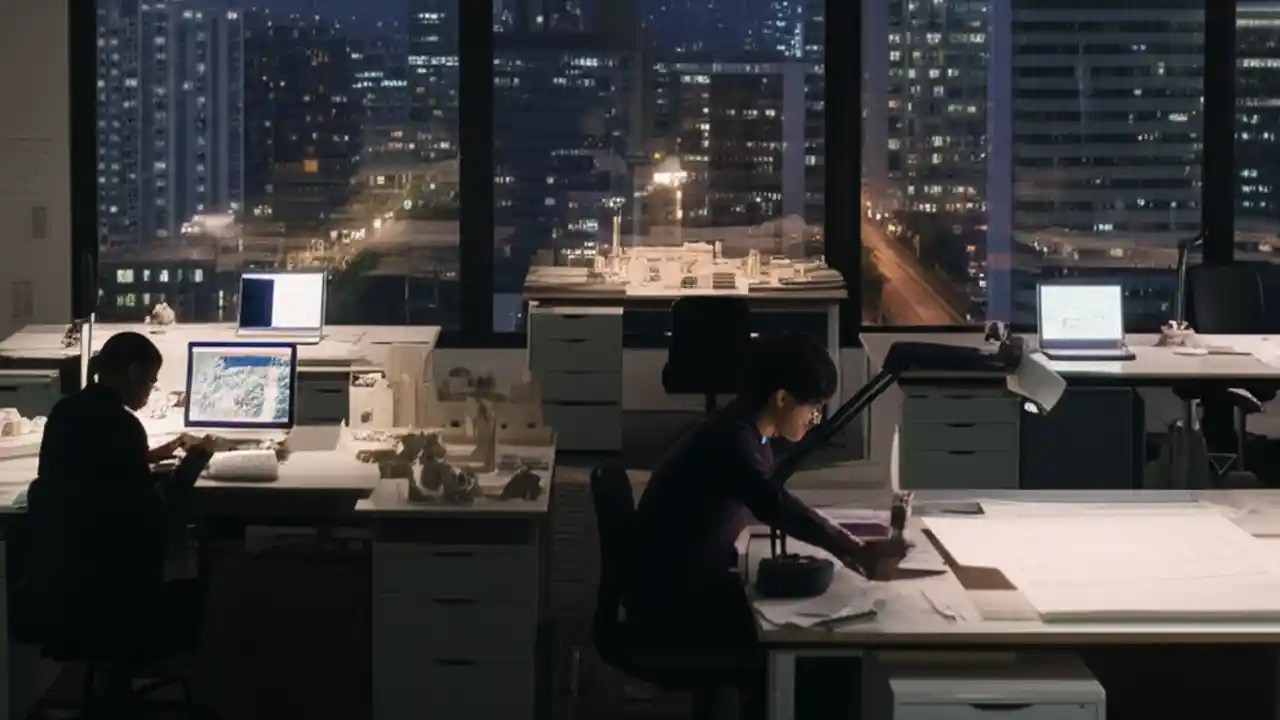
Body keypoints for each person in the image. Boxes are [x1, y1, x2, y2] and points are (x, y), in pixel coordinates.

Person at [628, 333, 905, 715]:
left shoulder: (741, 430)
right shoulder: (732, 442)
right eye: (814, 408)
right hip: (672, 605)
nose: (815, 420)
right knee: (813, 643)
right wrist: (851, 549)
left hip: (684, 578)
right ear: (782, 399)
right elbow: (774, 504)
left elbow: (767, 499)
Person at [16, 332, 217, 701]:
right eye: (151, 381)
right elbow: (163, 517)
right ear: (133, 372)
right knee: (212, 574)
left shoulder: (65, 413)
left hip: (59, 597)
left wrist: (149, 456)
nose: (151, 390)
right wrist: (200, 455)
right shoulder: (124, 426)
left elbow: (91, 475)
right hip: (122, 603)